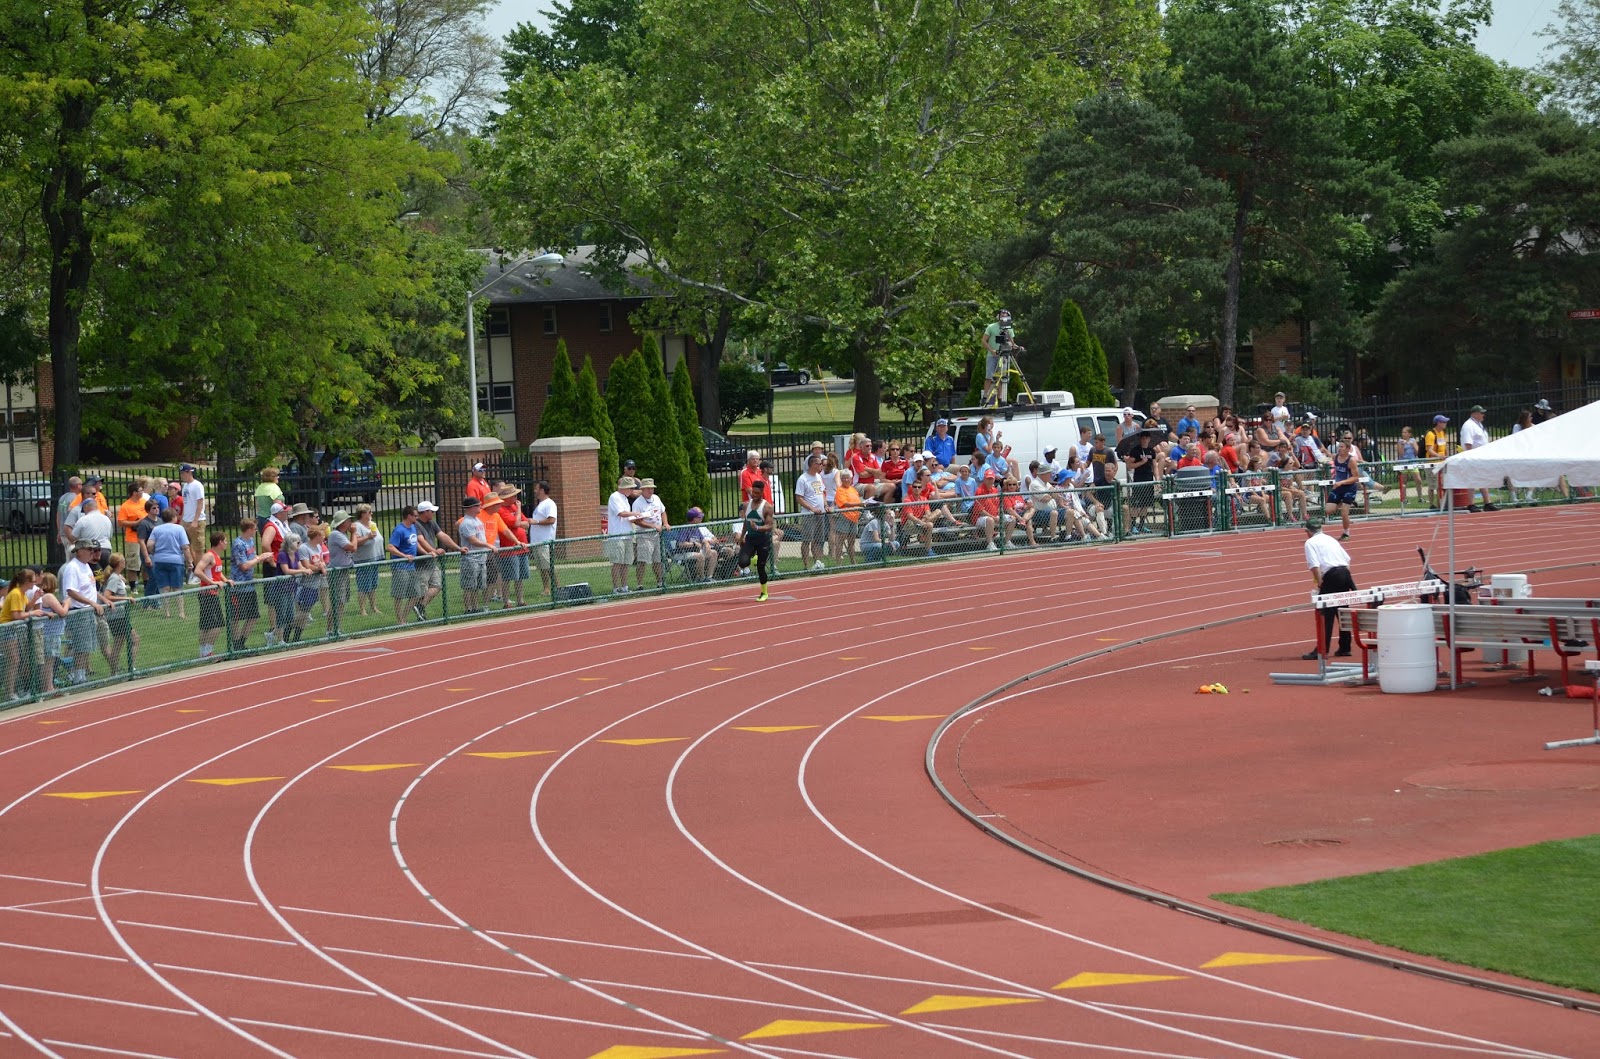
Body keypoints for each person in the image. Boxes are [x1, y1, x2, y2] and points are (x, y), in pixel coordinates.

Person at [1302, 518, 1356, 660]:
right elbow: (1347, 559)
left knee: (1326, 613)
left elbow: (1314, 565)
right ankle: (1345, 647)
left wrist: (1321, 583)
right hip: (1345, 573)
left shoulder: (1310, 543)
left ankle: (1322, 649)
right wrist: (1344, 577)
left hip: (1331, 575)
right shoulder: (1331, 539)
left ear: (1307, 532)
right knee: (1343, 610)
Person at [59, 538, 105, 685]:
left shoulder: (85, 566)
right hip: (79, 611)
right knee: (80, 646)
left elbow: (90, 589)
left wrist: (103, 600)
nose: (93, 553)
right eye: (89, 550)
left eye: (94, 550)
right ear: (79, 551)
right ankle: (77, 676)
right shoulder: (73, 568)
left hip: (88, 611)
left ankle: (82, 674)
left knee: (87, 646)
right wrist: (91, 602)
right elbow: (71, 591)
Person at [1, 569, 40, 700]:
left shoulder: (21, 593)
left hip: (12, 629)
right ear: (27, 582)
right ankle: (9, 693)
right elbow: (16, 615)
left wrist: (35, 599)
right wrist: (32, 614)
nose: (35, 584)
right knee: (13, 660)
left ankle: (14, 690)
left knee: (16, 660)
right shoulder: (16, 593)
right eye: (33, 581)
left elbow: (25, 608)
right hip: (7, 629)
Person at [734, 479, 776, 601]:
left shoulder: (767, 507)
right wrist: (742, 537)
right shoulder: (746, 505)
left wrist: (757, 527)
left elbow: (769, 526)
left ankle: (764, 592)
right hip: (751, 539)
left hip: (763, 540)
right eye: (753, 492)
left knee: (760, 567)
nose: (754, 494)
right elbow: (746, 523)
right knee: (742, 562)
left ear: (762, 492)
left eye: (757, 493)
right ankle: (753, 558)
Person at [148, 508, 193, 619]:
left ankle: (167, 613)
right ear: (174, 517)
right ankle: (181, 612)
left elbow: (149, 545)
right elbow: (185, 547)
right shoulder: (179, 529)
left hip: (159, 560)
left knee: (164, 588)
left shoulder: (156, 529)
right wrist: (190, 562)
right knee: (177, 587)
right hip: (176, 560)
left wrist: (154, 553)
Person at [413, 501, 454, 618]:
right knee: (422, 589)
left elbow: (442, 536)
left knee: (437, 586)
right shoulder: (415, 524)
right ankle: (417, 609)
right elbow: (421, 540)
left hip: (432, 561)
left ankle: (420, 607)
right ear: (425, 512)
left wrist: (457, 547)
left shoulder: (432, 523)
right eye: (431, 511)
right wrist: (434, 551)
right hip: (421, 563)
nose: (433, 513)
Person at [194, 529, 230, 658]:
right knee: (216, 624)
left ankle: (204, 653)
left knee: (207, 625)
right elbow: (198, 571)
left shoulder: (217, 556)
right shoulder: (209, 555)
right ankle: (207, 652)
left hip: (212, 593)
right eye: (225, 541)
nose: (226, 543)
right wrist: (213, 582)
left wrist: (225, 580)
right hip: (207, 593)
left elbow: (217, 572)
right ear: (220, 542)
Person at [228, 518, 263, 651]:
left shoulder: (251, 541)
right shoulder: (239, 544)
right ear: (249, 530)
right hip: (238, 586)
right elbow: (243, 565)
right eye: (254, 529)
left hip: (249, 585)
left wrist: (259, 558)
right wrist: (259, 559)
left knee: (253, 616)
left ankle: (241, 643)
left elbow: (252, 558)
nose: (256, 531)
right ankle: (236, 645)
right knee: (236, 618)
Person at [387, 504, 423, 623]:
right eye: (415, 516)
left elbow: (415, 543)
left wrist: (428, 552)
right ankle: (400, 620)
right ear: (409, 516)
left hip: (411, 567)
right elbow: (390, 547)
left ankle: (404, 617)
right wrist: (404, 556)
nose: (417, 518)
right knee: (399, 596)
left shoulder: (413, 527)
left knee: (416, 593)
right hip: (400, 567)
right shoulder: (399, 530)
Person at [630, 478, 668, 591]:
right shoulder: (638, 503)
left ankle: (660, 582)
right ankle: (640, 585)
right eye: (648, 488)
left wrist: (665, 523)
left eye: (652, 488)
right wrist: (653, 526)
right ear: (642, 489)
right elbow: (637, 520)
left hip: (657, 535)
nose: (650, 490)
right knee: (642, 560)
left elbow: (663, 511)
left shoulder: (656, 498)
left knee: (658, 560)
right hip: (644, 535)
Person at [605, 476, 641, 593]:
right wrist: (635, 513)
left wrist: (637, 516)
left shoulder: (625, 499)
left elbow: (627, 516)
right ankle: (615, 588)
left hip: (627, 534)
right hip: (617, 535)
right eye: (631, 488)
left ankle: (624, 586)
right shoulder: (614, 497)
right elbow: (621, 513)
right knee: (617, 562)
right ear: (625, 488)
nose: (632, 491)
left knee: (626, 562)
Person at [1458, 404, 1497, 511]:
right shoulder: (1468, 425)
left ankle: (1487, 503)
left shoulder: (1478, 425)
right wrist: (1471, 456)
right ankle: (1470, 504)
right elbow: (1468, 443)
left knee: (1482, 479)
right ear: (1475, 414)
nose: (1483, 415)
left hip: (1480, 457)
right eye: (1481, 413)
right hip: (1473, 457)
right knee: (1472, 480)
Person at [456, 497, 491, 612]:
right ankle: (468, 609)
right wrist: (488, 545)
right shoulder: (467, 523)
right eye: (478, 505)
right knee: (469, 586)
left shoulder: (477, 520)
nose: (480, 507)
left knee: (476, 586)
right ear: (471, 508)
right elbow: (473, 540)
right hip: (471, 558)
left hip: (481, 557)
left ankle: (475, 607)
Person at [981, 308, 1023, 404]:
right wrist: (992, 351)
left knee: (1001, 377)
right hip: (992, 355)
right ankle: (985, 397)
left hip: (1003, 356)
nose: (1003, 317)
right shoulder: (991, 327)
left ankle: (1000, 399)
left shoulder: (1009, 329)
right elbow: (983, 340)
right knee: (989, 377)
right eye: (1002, 315)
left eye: (1005, 316)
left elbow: (1012, 343)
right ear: (998, 316)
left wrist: (1018, 347)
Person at [795, 454, 829, 571]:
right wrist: (812, 508)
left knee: (818, 540)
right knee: (807, 540)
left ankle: (818, 562)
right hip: (809, 515)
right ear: (813, 465)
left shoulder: (819, 477)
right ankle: (806, 565)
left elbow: (822, 493)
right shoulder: (803, 479)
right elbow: (799, 498)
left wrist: (826, 505)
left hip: (820, 514)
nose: (822, 466)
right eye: (820, 464)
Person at [324, 510, 357, 630]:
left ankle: (337, 628)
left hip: (344, 570)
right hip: (337, 572)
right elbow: (353, 547)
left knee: (342, 602)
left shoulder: (343, 535)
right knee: (337, 603)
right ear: (343, 523)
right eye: (348, 521)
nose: (351, 523)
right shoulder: (336, 534)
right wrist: (354, 533)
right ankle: (330, 630)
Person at [1325, 438, 1361, 540]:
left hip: (1349, 488)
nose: (1339, 449)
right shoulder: (1335, 457)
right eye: (1338, 447)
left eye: (1342, 447)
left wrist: (1341, 482)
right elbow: (1327, 454)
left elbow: (1355, 477)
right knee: (1328, 510)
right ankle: (1346, 502)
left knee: (1344, 512)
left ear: (1348, 449)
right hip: (1338, 488)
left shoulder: (1351, 460)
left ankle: (1346, 533)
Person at [526, 481, 558, 595]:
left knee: (548, 567)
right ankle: (546, 588)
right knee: (542, 568)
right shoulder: (540, 504)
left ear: (542, 490)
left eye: (537, 489)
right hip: (537, 541)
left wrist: (536, 522)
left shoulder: (549, 504)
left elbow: (551, 520)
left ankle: (557, 588)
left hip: (545, 541)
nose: (535, 491)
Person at [351, 504, 383, 615]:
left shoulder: (372, 524)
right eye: (370, 512)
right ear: (363, 513)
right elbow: (355, 542)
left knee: (373, 585)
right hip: (363, 560)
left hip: (375, 558)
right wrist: (368, 537)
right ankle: (362, 609)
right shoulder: (356, 526)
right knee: (363, 586)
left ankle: (374, 607)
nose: (371, 514)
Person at [178, 463, 207, 576]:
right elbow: (186, 504)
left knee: (198, 547)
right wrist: (183, 519)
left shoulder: (197, 485)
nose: (182, 475)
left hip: (197, 520)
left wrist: (195, 520)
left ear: (189, 472)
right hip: (186, 519)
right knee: (187, 546)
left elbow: (200, 503)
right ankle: (194, 569)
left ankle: (201, 573)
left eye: (183, 473)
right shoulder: (185, 486)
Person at [1509, 410, 1537, 505]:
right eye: (1529, 417)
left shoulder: (1533, 427)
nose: (1531, 419)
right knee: (1512, 475)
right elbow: (1517, 439)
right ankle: (1513, 497)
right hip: (1517, 455)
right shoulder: (1517, 427)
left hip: (1529, 455)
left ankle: (1529, 496)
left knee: (1533, 474)